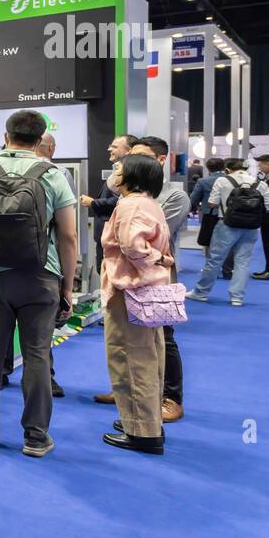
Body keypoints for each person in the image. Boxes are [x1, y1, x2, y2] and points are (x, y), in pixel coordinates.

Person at [0, 110, 78, 458]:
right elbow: (67, 235)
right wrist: (68, 286)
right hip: (42, 275)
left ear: (5, 136)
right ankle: (36, 437)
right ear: (40, 141)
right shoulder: (52, 173)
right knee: (36, 353)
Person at [98, 153, 174, 455]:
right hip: (149, 290)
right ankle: (146, 420)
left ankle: (141, 430)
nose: (114, 172)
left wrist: (155, 262)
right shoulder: (149, 204)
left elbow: (132, 246)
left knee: (128, 358)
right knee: (150, 355)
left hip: (130, 290)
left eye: (118, 168)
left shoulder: (130, 206)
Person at [124, 137, 190, 423]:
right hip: (127, 274)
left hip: (157, 275)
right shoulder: (131, 194)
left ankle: (171, 397)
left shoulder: (174, 197)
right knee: (130, 335)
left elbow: (153, 236)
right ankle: (133, 389)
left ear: (160, 160)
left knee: (163, 336)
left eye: (139, 157)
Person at [187, 158, 269, 307]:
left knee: (214, 260)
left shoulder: (222, 181)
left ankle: (201, 292)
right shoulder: (260, 184)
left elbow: (212, 203)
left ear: (227, 169)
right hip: (252, 227)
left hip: (226, 225)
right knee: (243, 261)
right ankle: (237, 297)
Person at [81, 134, 137, 271]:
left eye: (115, 147)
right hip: (105, 236)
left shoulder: (131, 175)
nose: (109, 149)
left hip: (114, 238)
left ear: (128, 151)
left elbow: (121, 201)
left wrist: (94, 202)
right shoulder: (117, 172)